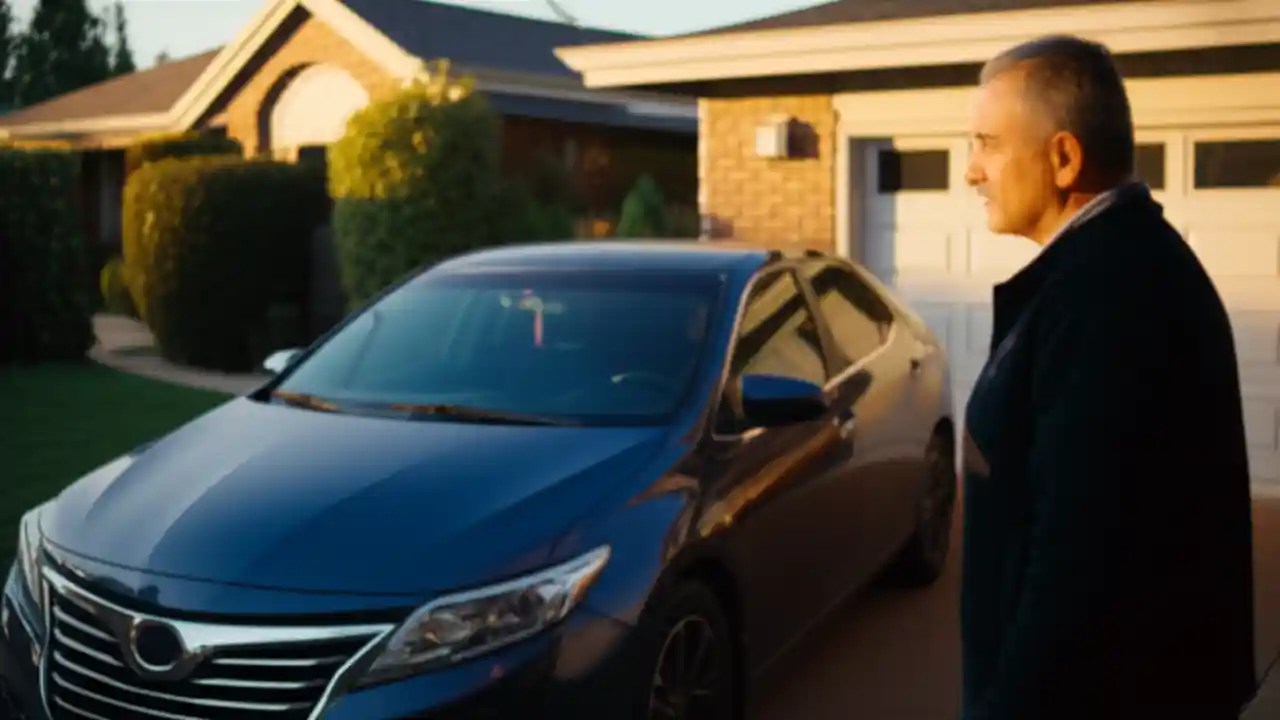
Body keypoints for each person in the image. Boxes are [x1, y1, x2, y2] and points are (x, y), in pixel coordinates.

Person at [959, 34, 1257, 720]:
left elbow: (1077, 568)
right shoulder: (1104, 273)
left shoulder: (1112, 299)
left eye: (987, 143)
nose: (972, 171)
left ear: (1063, 157)